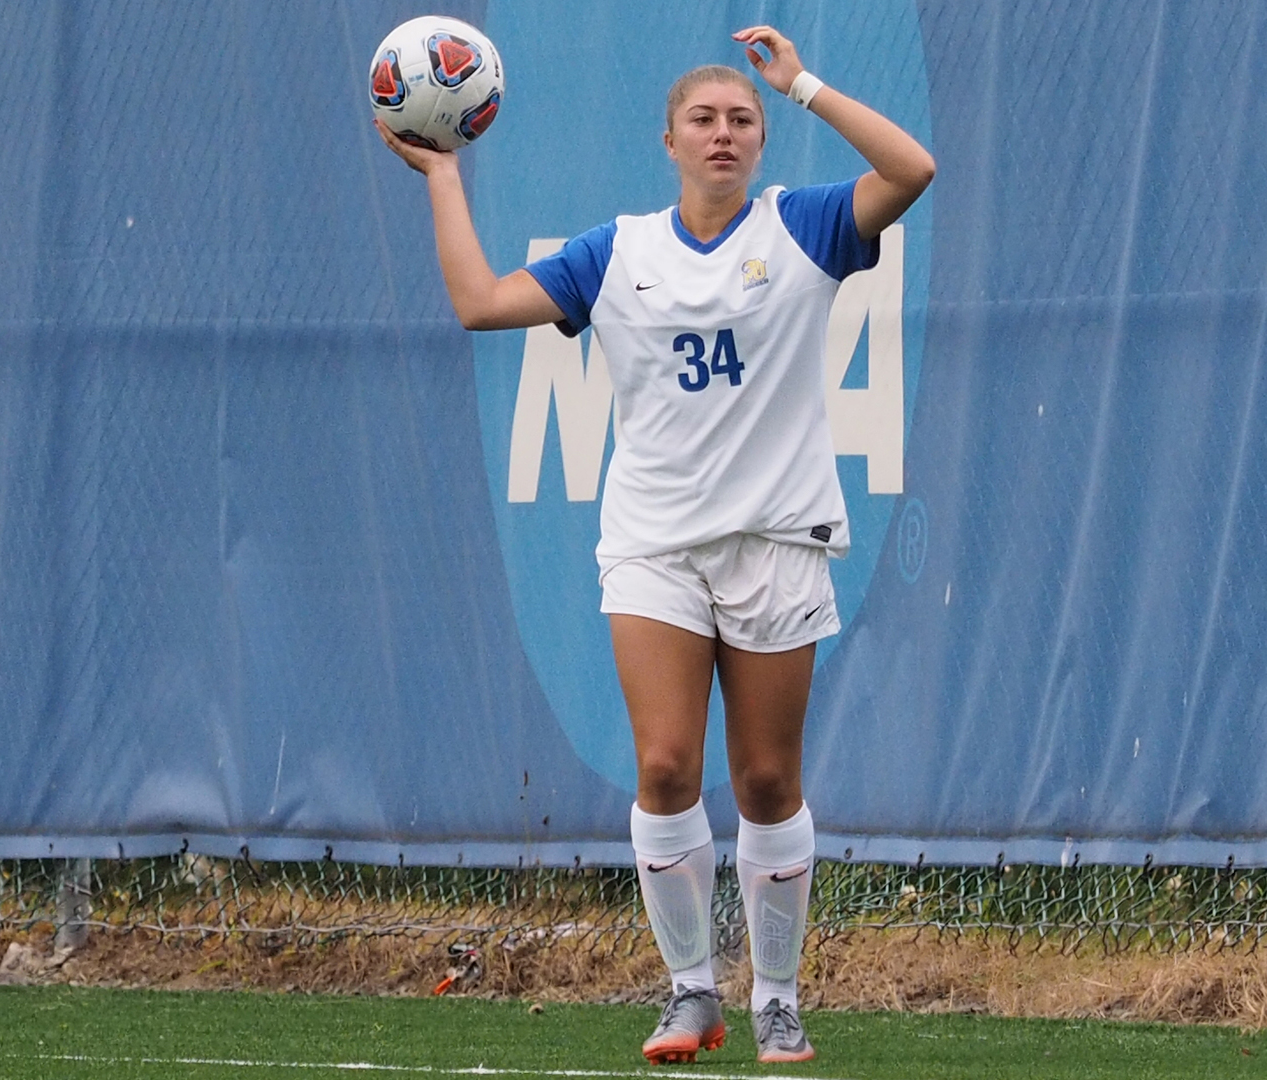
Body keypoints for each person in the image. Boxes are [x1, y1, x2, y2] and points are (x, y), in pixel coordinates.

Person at [378, 25, 934, 1065]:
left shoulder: (806, 226)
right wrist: (444, 176)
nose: (723, 134)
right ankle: (690, 995)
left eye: (742, 121)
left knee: (768, 783)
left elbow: (912, 168)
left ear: (761, 140)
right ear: (668, 139)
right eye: (704, 119)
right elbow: (479, 302)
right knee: (667, 764)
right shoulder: (618, 251)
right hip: (654, 544)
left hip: (775, 539)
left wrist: (804, 83)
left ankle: (774, 996)